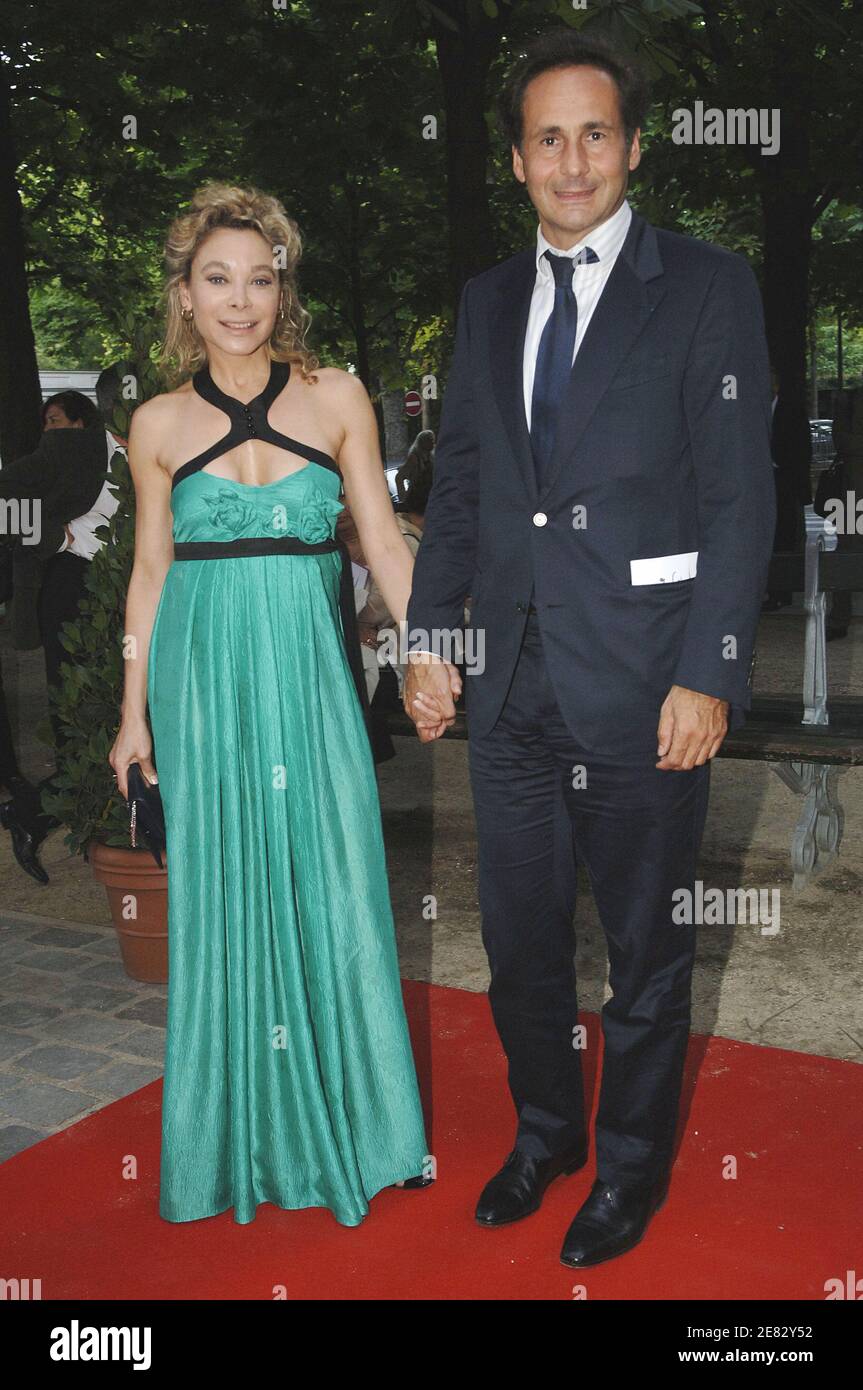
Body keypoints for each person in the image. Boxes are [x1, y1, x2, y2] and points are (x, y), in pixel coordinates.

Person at [403, 30, 775, 1267]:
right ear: (516, 159)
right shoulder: (486, 300)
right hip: (506, 689)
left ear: (630, 146)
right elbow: (459, 491)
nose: (572, 161)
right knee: (515, 946)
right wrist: (430, 640)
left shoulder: (708, 286)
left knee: (644, 954)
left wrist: (711, 670)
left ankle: (627, 1172)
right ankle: (545, 1133)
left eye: (594, 135)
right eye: (546, 138)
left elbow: (738, 498)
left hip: (644, 688)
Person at [108, 182, 430, 1226]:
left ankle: (364, 1128)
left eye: (258, 278)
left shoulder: (337, 397)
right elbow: (149, 574)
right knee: (225, 897)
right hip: (199, 683)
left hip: (308, 677)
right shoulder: (153, 421)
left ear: (280, 288)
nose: (238, 300)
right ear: (185, 297)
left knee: (332, 880)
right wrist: (131, 715)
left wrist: (425, 648)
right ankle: (235, 1142)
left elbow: (381, 540)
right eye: (217, 280)